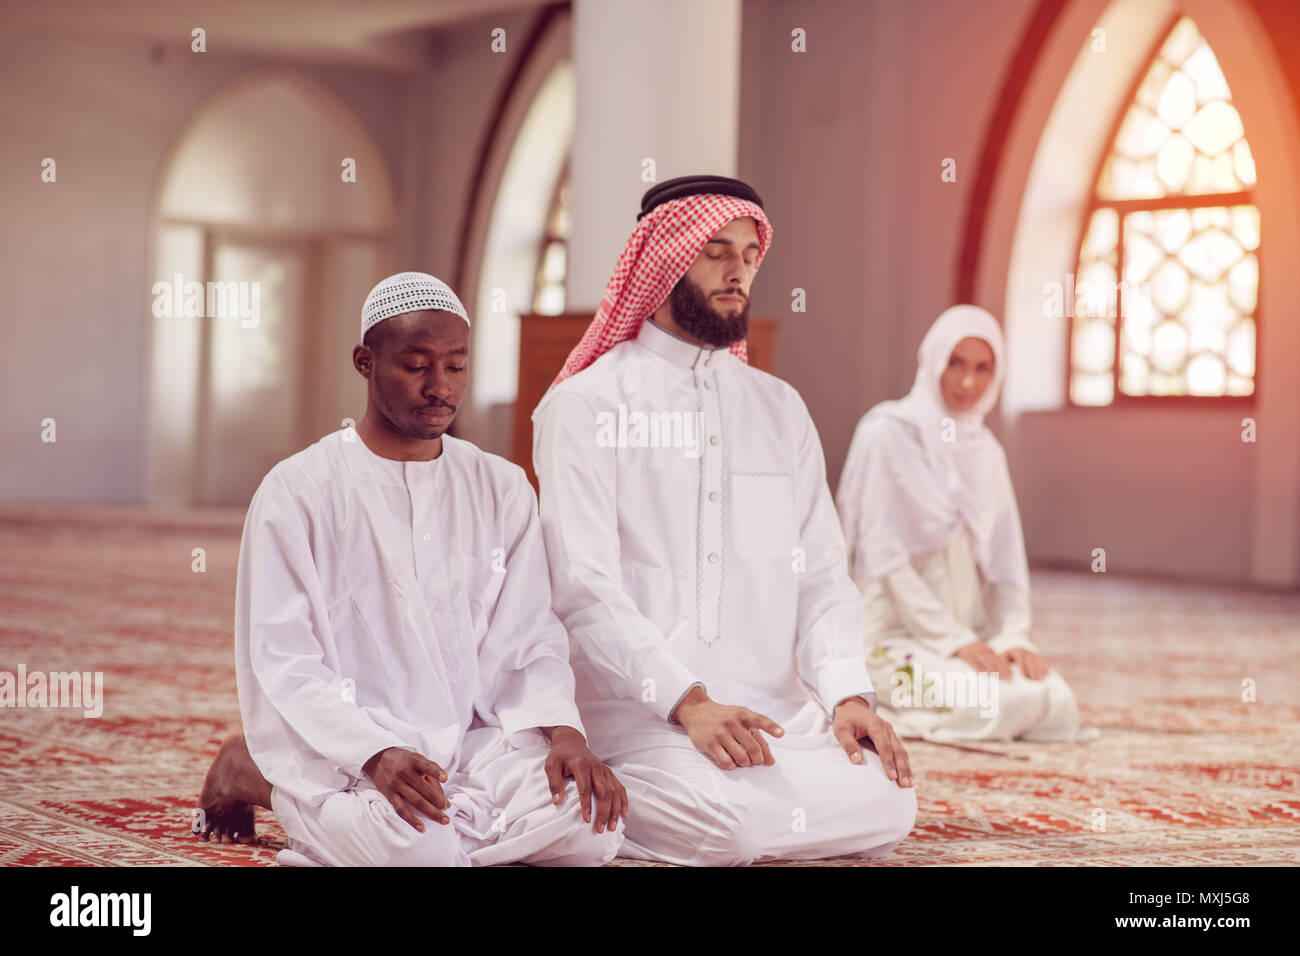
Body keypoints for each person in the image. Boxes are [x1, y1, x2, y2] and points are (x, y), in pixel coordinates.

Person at [531, 175, 917, 866]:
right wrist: (689, 702)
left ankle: (713, 804)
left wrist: (848, 695)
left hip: (774, 713)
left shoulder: (778, 408)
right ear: (664, 260)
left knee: (893, 801)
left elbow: (824, 575)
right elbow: (583, 590)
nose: (737, 268)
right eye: (714, 249)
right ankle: (636, 789)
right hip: (645, 716)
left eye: (748, 252)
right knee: (729, 828)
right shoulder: (586, 408)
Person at [196, 271, 626, 866]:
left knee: (594, 830)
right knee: (417, 853)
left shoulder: (500, 487)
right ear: (365, 362)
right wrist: (373, 752)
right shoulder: (298, 490)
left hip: (471, 744)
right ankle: (257, 779)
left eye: (455, 366)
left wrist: (564, 734)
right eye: (416, 365)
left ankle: (446, 835)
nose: (439, 387)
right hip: (348, 746)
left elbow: (528, 638)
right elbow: (285, 659)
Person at [836, 304, 1083, 743]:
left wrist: (1013, 637)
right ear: (932, 361)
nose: (967, 383)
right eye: (955, 364)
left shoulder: (985, 450)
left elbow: (1007, 560)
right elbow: (885, 561)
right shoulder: (886, 434)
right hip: (889, 638)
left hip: (970, 638)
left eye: (982, 368)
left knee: (1054, 700)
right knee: (1000, 703)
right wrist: (953, 642)